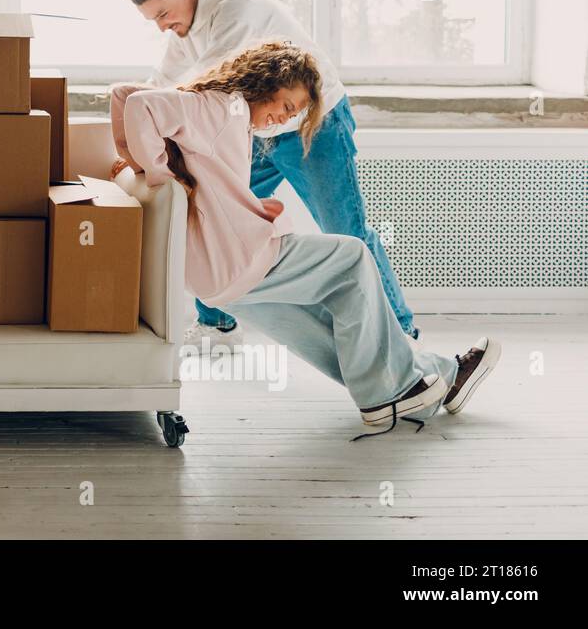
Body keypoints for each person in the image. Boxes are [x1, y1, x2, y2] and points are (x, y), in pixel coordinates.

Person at [110, 42, 500, 434]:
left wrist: (249, 206)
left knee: (327, 329)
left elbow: (201, 174)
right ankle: (386, 396)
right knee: (352, 258)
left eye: (291, 116)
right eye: (287, 106)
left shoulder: (231, 117)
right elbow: (133, 101)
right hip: (239, 263)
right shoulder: (222, 107)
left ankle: (439, 379)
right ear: (269, 80)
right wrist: (159, 174)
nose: (282, 119)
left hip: (215, 282)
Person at [119, 0, 419, 349]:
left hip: (313, 124)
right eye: (153, 20)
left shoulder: (237, 9)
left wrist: (153, 134)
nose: (162, 26)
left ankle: (400, 333)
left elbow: (204, 88)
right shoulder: (185, 27)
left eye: (163, 14)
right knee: (214, 215)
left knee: (346, 229)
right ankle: (217, 324)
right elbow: (164, 80)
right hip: (260, 128)